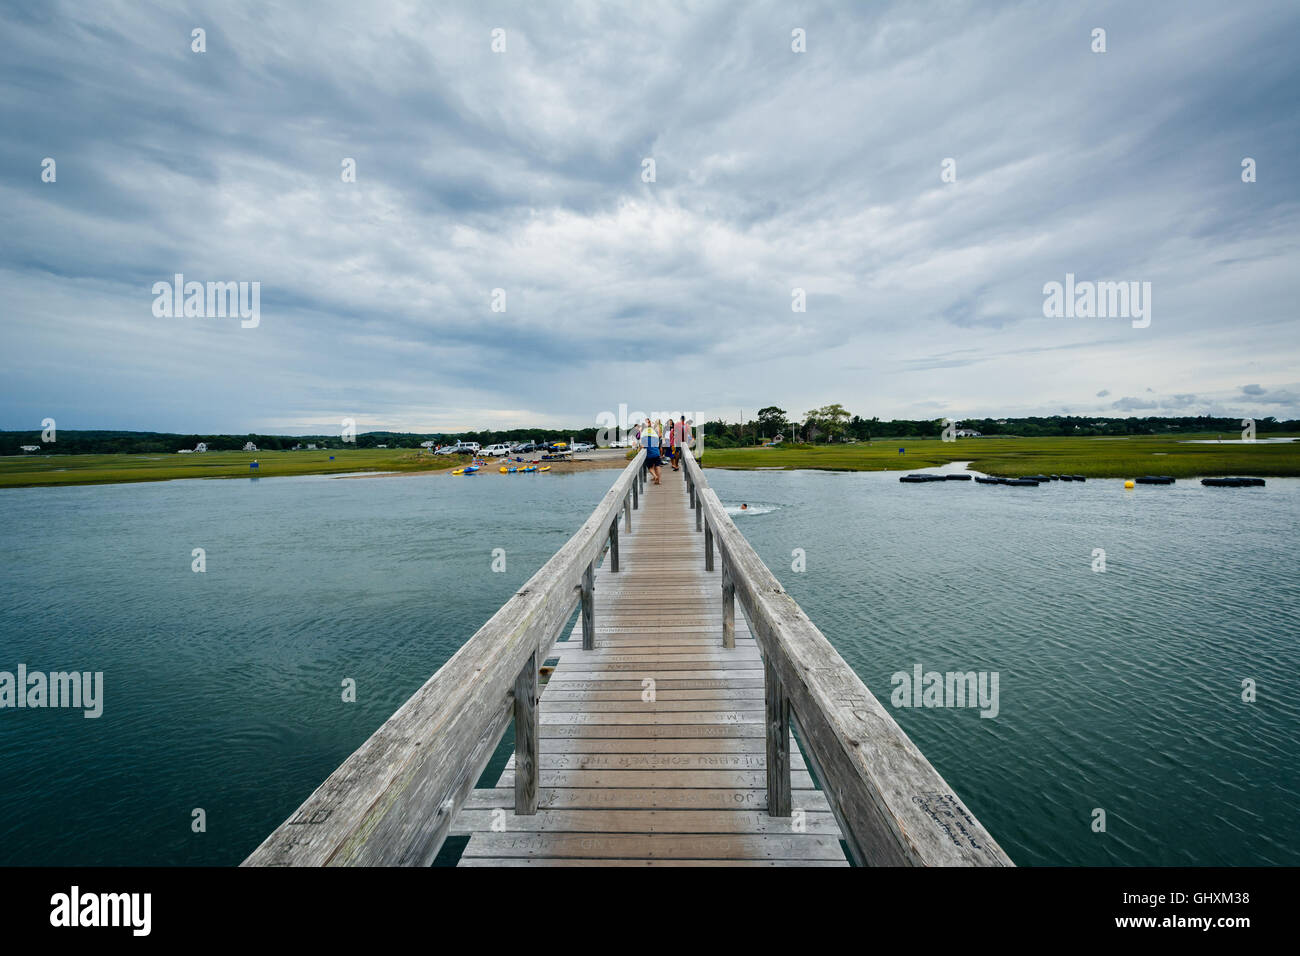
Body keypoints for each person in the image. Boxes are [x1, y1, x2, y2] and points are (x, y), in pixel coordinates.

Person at [642, 418, 662, 484]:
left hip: (649, 454)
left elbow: (643, 446)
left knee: (650, 467)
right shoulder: (655, 435)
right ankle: (659, 480)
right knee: (658, 466)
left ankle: (655, 476)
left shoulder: (644, 435)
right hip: (657, 453)